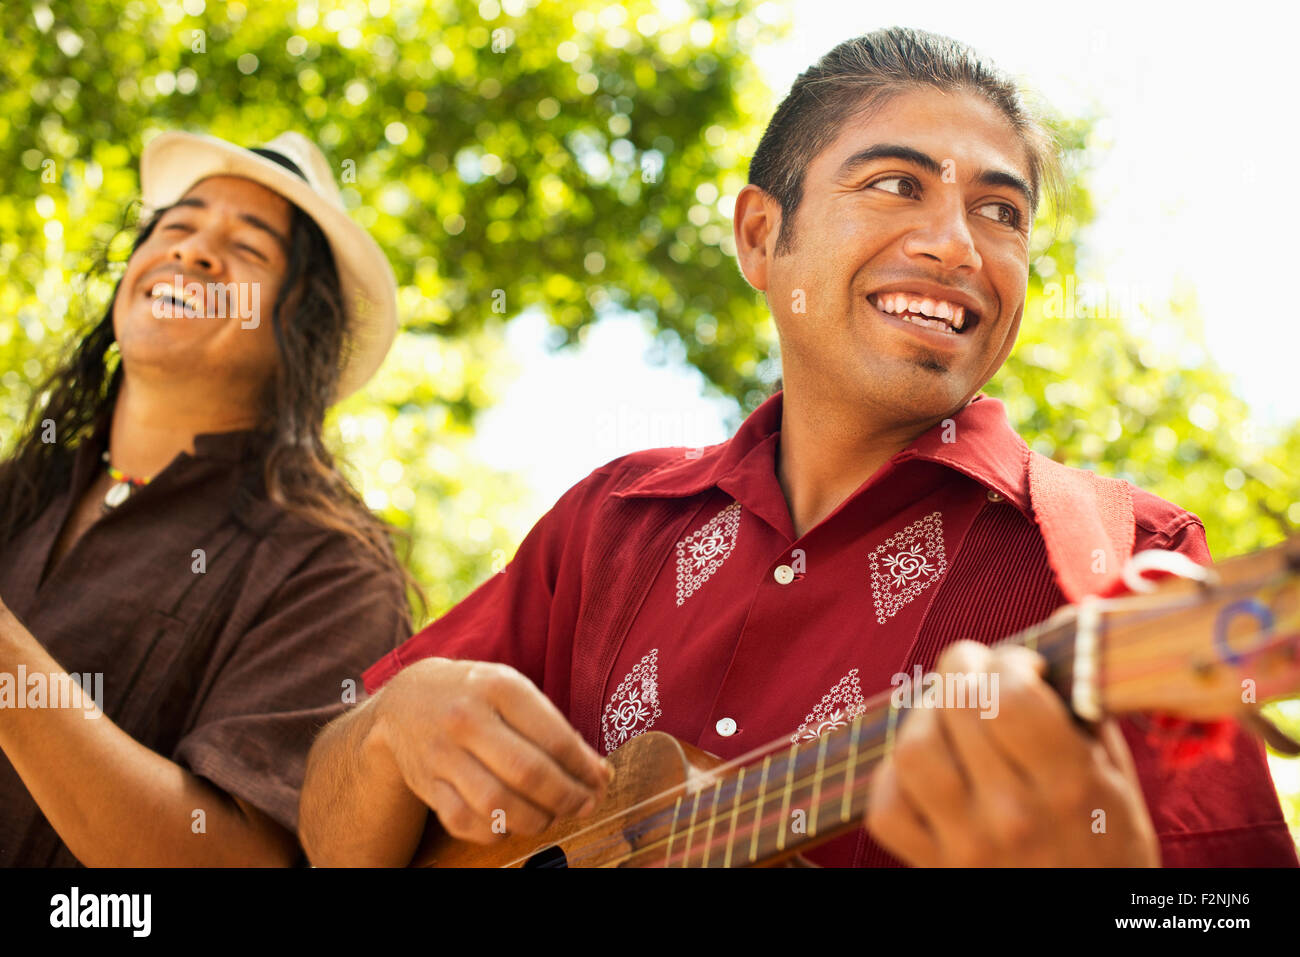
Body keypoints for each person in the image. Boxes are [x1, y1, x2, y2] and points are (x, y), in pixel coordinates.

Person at [298, 27, 1298, 867]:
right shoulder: (607, 523)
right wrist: (396, 722)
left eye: (1001, 211)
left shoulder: (1127, 563)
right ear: (759, 236)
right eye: (898, 185)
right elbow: (332, 833)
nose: (957, 243)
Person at [0, 131, 412, 866]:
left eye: (249, 250)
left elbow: (237, 860)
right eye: (177, 225)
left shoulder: (331, 569)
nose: (191, 252)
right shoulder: (20, 489)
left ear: (297, 329)